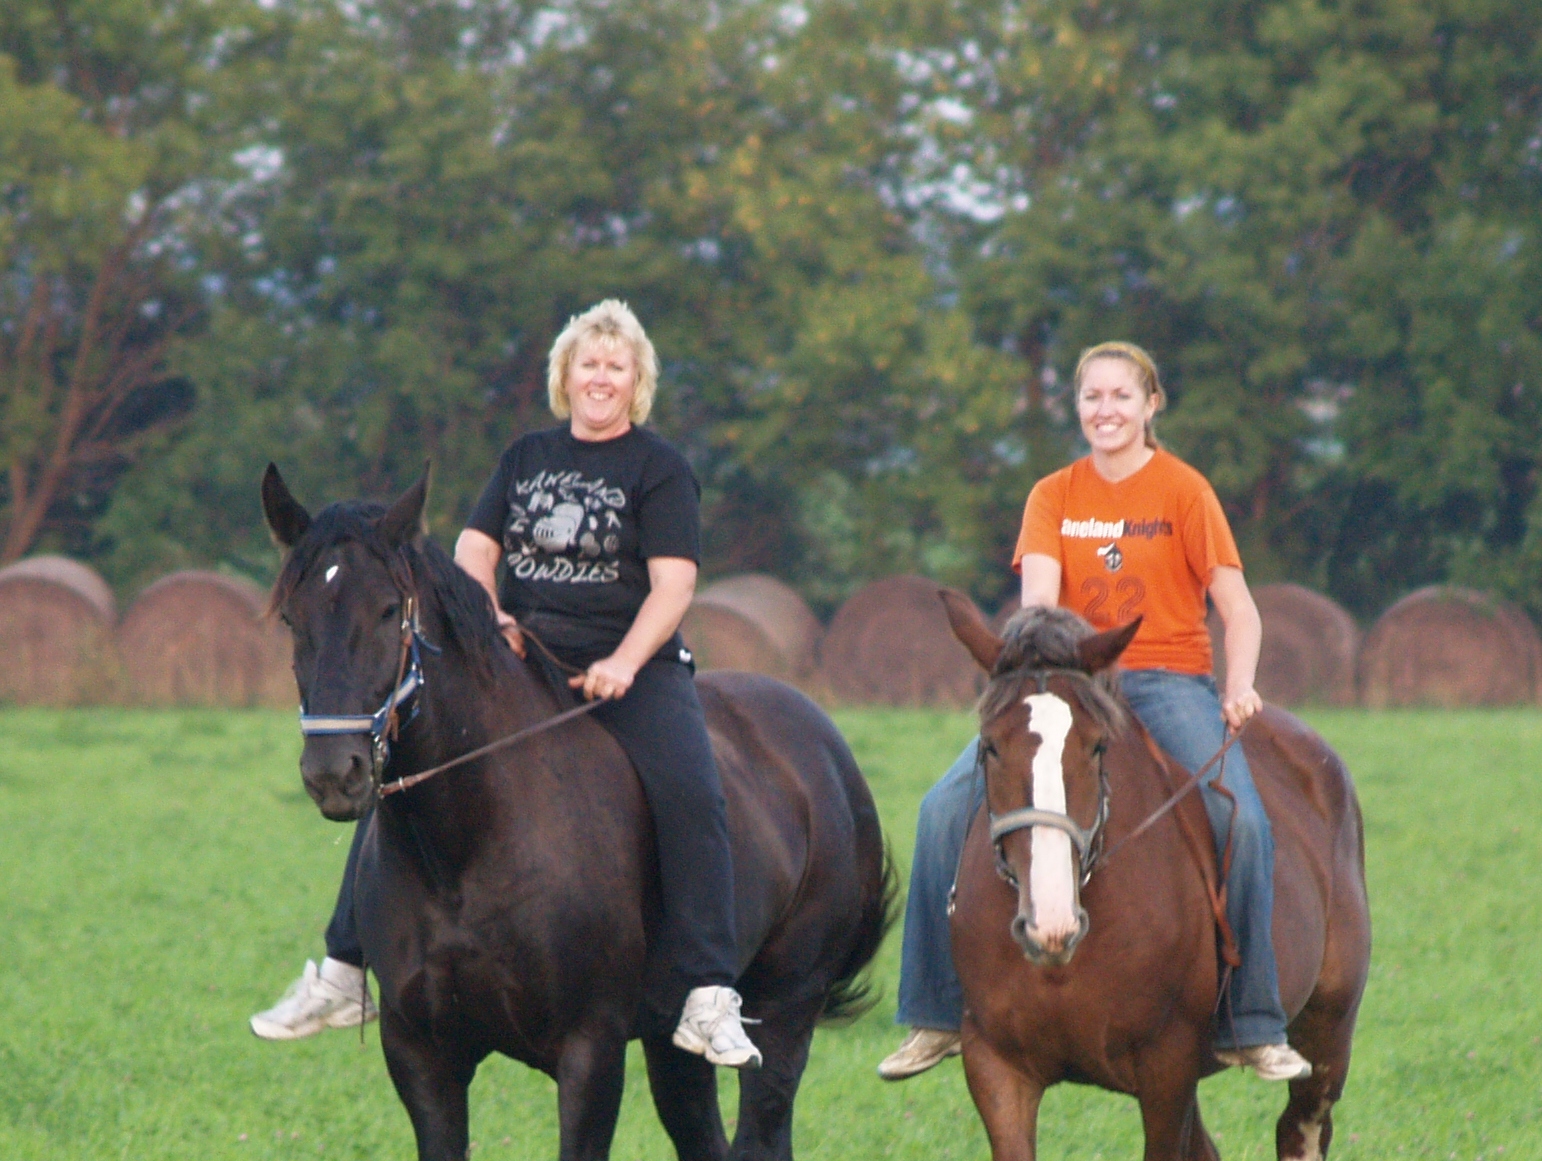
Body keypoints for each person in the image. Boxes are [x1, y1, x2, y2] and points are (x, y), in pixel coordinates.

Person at [251, 298, 761, 1069]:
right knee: (394, 759)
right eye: (587, 363)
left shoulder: (659, 469)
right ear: (565, 376)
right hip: (524, 656)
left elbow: (674, 585)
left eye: (616, 366)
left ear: (636, 382)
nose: (600, 378)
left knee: (694, 792)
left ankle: (708, 993)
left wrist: (625, 661)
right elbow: (475, 548)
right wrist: (490, 619)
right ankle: (344, 970)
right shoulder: (526, 458)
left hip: (635, 670)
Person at [880, 340, 1311, 1085]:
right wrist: (1035, 673)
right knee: (940, 810)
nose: (1104, 410)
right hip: (1070, 682)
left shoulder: (1184, 491)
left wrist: (1238, 685)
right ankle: (936, 1011)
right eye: (1091, 398)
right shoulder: (1054, 494)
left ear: (1151, 406)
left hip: (1168, 678)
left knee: (1241, 817)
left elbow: (1238, 610)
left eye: (1120, 397)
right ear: (1076, 407)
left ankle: (1252, 1020)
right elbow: (1041, 605)